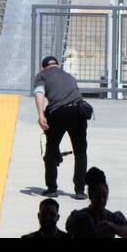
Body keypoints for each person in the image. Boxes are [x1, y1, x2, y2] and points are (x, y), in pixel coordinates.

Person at [33, 55, 89, 197]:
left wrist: (41, 115)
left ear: (43, 67)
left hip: (58, 113)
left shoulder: (42, 75)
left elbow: (39, 93)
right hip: (79, 111)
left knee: (51, 149)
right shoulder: (68, 76)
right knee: (80, 152)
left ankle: (52, 189)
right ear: (58, 65)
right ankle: (80, 191)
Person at [66, 167, 127, 238]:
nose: (101, 200)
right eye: (97, 196)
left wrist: (112, 226)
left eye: (104, 196)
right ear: (90, 196)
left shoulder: (112, 217)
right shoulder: (78, 216)